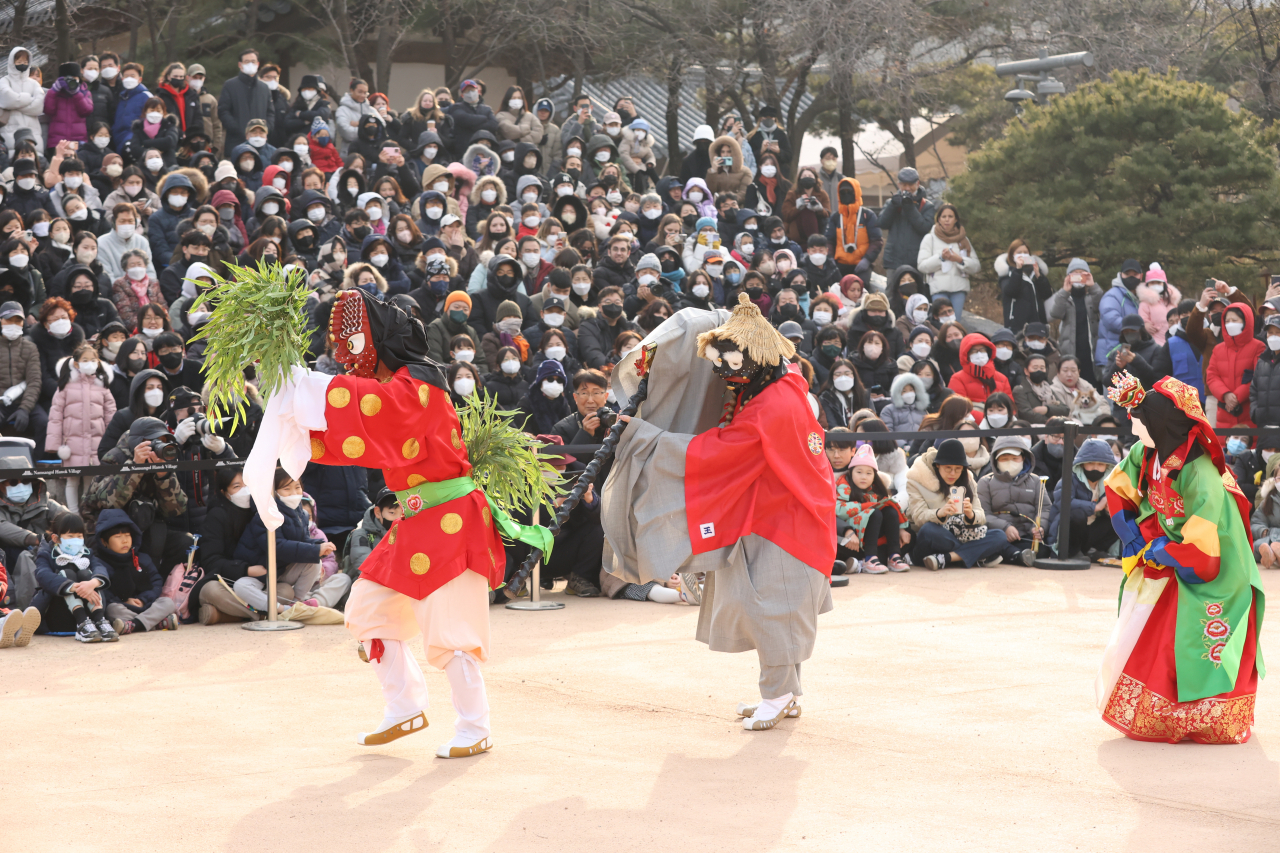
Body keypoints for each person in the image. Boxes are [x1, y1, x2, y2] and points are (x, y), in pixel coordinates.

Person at [248, 290, 546, 757]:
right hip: (416, 519)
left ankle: (475, 725)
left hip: (451, 519)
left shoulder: (421, 386)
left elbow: (377, 409)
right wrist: (298, 401)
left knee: (451, 626)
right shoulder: (404, 386)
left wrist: (309, 387)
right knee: (367, 608)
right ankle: (405, 704)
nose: (354, 363)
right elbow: (368, 427)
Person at [601, 295, 835, 731]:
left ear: (758, 357)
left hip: (787, 520)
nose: (725, 374)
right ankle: (786, 693)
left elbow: (718, 452)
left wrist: (644, 436)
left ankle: (779, 693)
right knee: (771, 604)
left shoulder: (771, 406)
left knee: (771, 606)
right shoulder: (780, 385)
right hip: (779, 512)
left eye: (732, 364)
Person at [1097, 372, 1262, 744]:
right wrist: (1131, 534)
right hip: (1174, 551)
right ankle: (1164, 714)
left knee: (1195, 638)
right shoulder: (1147, 451)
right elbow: (1118, 486)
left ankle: (1204, 718)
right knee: (1154, 627)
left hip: (1215, 564)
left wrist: (1164, 550)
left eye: (1139, 422)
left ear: (1158, 423)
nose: (1134, 430)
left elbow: (1204, 546)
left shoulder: (1200, 472)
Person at [904, 437, 1037, 571]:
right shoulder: (916, 480)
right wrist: (940, 513)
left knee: (999, 536)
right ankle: (977, 555)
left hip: (963, 535)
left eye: (958, 469)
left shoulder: (968, 480)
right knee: (929, 530)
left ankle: (948, 558)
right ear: (937, 465)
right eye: (948, 468)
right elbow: (918, 517)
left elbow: (981, 515)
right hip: (934, 538)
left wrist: (971, 515)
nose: (952, 473)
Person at [234, 467, 347, 612]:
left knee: (314, 562)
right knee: (241, 586)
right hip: (260, 572)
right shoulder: (264, 515)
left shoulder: (301, 514)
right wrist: (314, 549)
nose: (294, 493)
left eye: (297, 487)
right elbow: (276, 547)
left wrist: (320, 546)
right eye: (287, 489)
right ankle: (281, 609)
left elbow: (303, 542)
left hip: (282, 571)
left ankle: (296, 604)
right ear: (273, 491)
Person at [46, 342, 115, 511]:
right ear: (76, 363)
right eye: (85, 359)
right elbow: (55, 416)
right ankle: (73, 514)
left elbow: (111, 415)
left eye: (93, 359)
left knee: (90, 479)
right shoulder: (65, 386)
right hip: (72, 443)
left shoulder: (102, 387)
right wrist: (54, 444)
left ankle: (86, 512)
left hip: (96, 442)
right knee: (72, 479)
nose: (90, 363)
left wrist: (112, 441)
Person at [94, 508, 179, 635]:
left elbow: (156, 581)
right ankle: (156, 623)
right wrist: (124, 601)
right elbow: (104, 592)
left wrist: (144, 599)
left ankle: (133, 625)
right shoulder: (99, 562)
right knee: (112, 610)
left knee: (167, 603)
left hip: (146, 604)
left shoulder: (141, 558)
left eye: (127, 535)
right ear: (103, 541)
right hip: (123, 606)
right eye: (118, 537)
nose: (125, 541)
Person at [31, 511, 114, 641]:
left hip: (90, 612)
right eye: (70, 536)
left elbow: (100, 568)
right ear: (56, 538)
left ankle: (99, 620)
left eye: (79, 536)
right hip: (59, 615)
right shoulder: (46, 553)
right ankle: (82, 623)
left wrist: (92, 583)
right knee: (67, 574)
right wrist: (73, 586)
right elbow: (43, 575)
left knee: (86, 574)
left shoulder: (86, 553)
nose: (76, 540)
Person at [1046, 437, 1119, 560]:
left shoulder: (1110, 482)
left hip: (1092, 530)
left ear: (1107, 466)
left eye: (1100, 464)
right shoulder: (1070, 478)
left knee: (1118, 518)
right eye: (1090, 463)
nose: (1095, 468)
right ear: (1082, 463)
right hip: (1068, 533)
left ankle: (1093, 551)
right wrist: (1095, 507)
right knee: (1077, 515)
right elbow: (1063, 502)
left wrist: (1108, 510)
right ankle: (1073, 552)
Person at [977, 435, 1050, 559]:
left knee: (1043, 550)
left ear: (1023, 458)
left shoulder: (1036, 481)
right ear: (995, 460)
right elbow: (983, 513)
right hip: (999, 534)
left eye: (1015, 458)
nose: (1010, 462)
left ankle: (1016, 556)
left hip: (1027, 535)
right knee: (994, 541)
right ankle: (1017, 556)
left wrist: (1040, 527)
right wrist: (1005, 527)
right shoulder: (985, 482)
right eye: (1004, 458)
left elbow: (1045, 508)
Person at [1207, 301, 1264, 430]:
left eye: (1234, 320)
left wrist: (1237, 397)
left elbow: (1259, 376)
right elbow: (1211, 376)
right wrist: (1225, 394)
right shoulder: (1218, 349)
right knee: (1224, 448)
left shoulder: (1258, 347)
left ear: (1245, 321)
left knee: (1248, 446)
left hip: (1248, 411)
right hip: (1224, 413)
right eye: (1227, 321)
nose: (1230, 324)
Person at [915, 204, 978, 316]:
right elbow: (922, 265)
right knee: (941, 324)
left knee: (955, 322)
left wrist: (959, 260)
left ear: (956, 219)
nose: (947, 220)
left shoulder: (963, 239)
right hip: (938, 289)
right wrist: (940, 258)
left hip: (959, 290)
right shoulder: (930, 238)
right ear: (939, 219)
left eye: (950, 216)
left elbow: (976, 266)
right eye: (943, 217)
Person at [877, 167, 936, 272]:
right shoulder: (891, 202)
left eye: (911, 185)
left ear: (917, 184)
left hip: (916, 260)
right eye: (904, 185)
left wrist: (910, 208)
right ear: (899, 185)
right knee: (891, 288)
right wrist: (892, 206)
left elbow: (924, 228)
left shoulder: (927, 206)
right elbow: (882, 224)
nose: (907, 188)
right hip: (893, 260)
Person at [824, 177, 881, 278]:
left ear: (856, 193)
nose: (846, 194)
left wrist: (867, 260)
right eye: (843, 192)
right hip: (839, 265)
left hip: (861, 265)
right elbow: (829, 241)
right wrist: (830, 259)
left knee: (861, 290)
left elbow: (876, 241)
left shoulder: (867, 215)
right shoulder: (836, 217)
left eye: (849, 191)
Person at [218, 49, 273, 153]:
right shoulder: (230, 85)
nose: (250, 64)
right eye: (247, 62)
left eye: (253, 61)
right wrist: (239, 129)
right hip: (236, 141)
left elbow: (270, 113)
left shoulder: (264, 88)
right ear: (240, 64)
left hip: (261, 142)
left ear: (258, 64)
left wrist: (265, 130)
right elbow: (223, 111)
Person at [1095, 259, 1144, 372]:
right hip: (1112, 355)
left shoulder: (1140, 297)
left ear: (1141, 276)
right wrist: (1138, 329)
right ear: (1120, 275)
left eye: (1134, 274)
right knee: (1113, 389)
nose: (1131, 277)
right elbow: (1111, 319)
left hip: (1130, 356)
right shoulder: (1112, 296)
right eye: (1127, 274)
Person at [343, 487, 402, 581]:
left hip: (397, 585)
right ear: (378, 512)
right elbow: (364, 562)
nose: (398, 519)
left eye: (403, 514)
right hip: (366, 584)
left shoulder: (406, 536)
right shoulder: (361, 534)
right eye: (392, 513)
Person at [995, 239, 1051, 335]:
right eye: (1019, 252)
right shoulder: (1007, 274)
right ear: (1012, 255)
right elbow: (1011, 291)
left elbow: (1047, 294)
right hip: (1017, 326)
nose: (1023, 255)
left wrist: (1039, 276)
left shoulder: (1034, 273)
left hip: (1038, 324)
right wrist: (1018, 270)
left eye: (1025, 252)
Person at [948, 333, 1012, 412]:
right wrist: (987, 418)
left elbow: (1010, 406)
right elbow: (958, 408)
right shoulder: (957, 379)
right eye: (974, 351)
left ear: (988, 352)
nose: (979, 354)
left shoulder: (1002, 378)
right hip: (972, 422)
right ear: (966, 355)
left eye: (982, 350)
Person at [0, 47, 46, 151]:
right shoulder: (4, 81)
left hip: (33, 134)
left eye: (25, 61)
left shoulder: (34, 84)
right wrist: (28, 98)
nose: (23, 64)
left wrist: (15, 105)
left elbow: (39, 106)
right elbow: (8, 99)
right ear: (12, 62)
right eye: (19, 61)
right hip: (10, 133)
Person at [1012, 353, 1068, 424]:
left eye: (1042, 368)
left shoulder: (1048, 388)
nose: (1039, 371)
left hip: (1052, 426)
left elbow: (1065, 409)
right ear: (1026, 371)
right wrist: (1051, 421)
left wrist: (1047, 409)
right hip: (1032, 427)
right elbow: (1026, 414)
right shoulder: (1020, 390)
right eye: (1035, 368)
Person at [1250, 454, 1280, 568]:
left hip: (1273, 536)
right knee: (1258, 545)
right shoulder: (1268, 501)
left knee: (1271, 543)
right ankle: (1270, 554)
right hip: (1269, 537)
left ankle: (1274, 553)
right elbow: (1256, 522)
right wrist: (1263, 531)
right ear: (1274, 480)